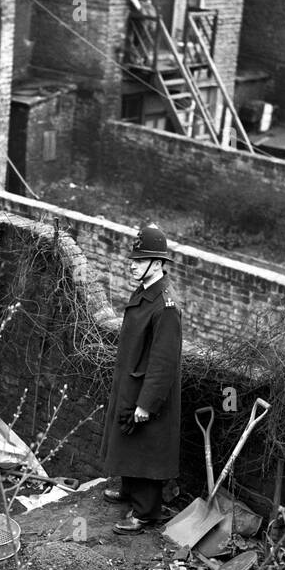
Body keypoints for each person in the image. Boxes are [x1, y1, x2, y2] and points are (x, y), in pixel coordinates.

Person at [99, 223, 182, 535]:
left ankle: (146, 512)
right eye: (132, 260)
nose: (132, 265)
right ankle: (130, 492)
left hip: (147, 391)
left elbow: (163, 363)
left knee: (146, 447)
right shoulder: (146, 294)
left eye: (139, 260)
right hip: (131, 382)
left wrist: (147, 403)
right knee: (129, 440)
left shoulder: (166, 307)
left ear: (158, 264)